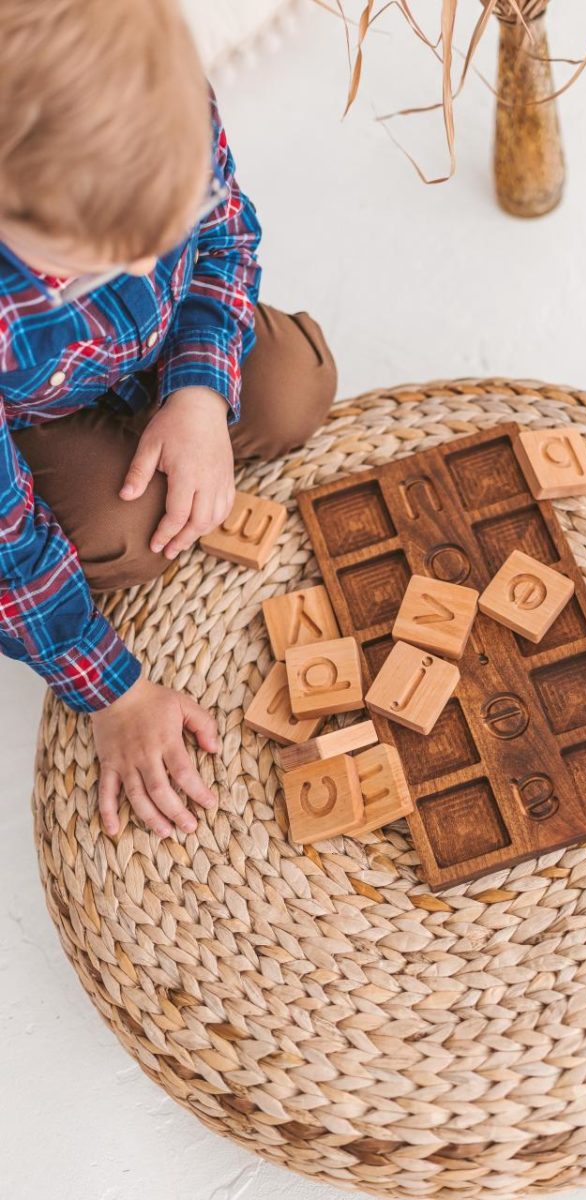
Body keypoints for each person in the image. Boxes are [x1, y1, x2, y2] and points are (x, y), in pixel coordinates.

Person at [0, 0, 336, 839]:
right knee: (130, 537)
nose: (148, 263)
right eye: (99, 264)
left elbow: (223, 241)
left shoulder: (157, 95)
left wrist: (198, 393)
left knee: (297, 387)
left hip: (162, 350)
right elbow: (8, 538)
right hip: (32, 421)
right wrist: (114, 693)